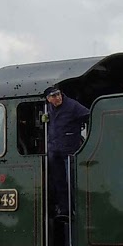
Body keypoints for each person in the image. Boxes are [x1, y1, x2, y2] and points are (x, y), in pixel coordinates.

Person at [43, 85, 89, 219]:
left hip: (70, 150)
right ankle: (64, 209)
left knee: (73, 180)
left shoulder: (73, 105)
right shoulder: (48, 108)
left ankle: (78, 210)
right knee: (59, 181)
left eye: (58, 94)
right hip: (54, 149)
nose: (58, 98)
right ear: (48, 99)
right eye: (54, 96)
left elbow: (88, 115)